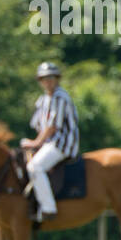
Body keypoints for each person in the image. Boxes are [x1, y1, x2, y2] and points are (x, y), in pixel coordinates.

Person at [22, 60, 80, 223]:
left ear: (57, 79)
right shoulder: (43, 100)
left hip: (62, 143)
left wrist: (35, 143)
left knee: (35, 166)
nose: (48, 82)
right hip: (49, 142)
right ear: (40, 81)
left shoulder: (59, 97)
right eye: (44, 79)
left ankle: (48, 208)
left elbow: (52, 127)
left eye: (51, 78)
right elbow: (39, 126)